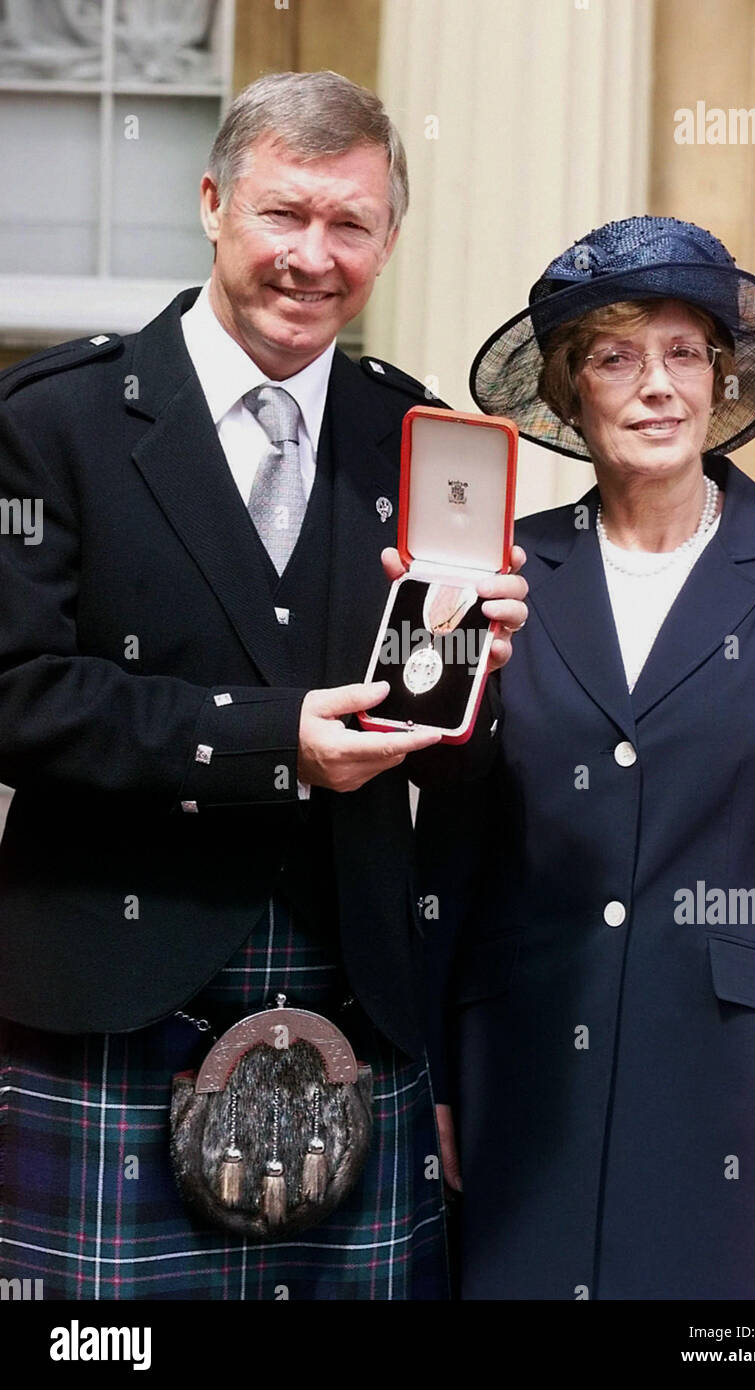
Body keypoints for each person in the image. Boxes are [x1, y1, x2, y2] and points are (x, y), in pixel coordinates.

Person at [0, 70, 527, 1301]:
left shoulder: (419, 441)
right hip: (111, 1006)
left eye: (350, 224)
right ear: (212, 204)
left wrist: (475, 676)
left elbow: (446, 747)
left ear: (388, 239)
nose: (314, 256)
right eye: (284, 214)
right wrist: (268, 744)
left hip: (360, 1004)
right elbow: (16, 691)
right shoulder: (55, 423)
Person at [419, 216, 755, 1301]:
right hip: (518, 1069)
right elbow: (446, 839)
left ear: (718, 381)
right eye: (615, 357)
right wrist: (432, 1060)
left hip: (723, 1070)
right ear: (572, 393)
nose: (655, 385)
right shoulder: (501, 570)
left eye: (682, 353)